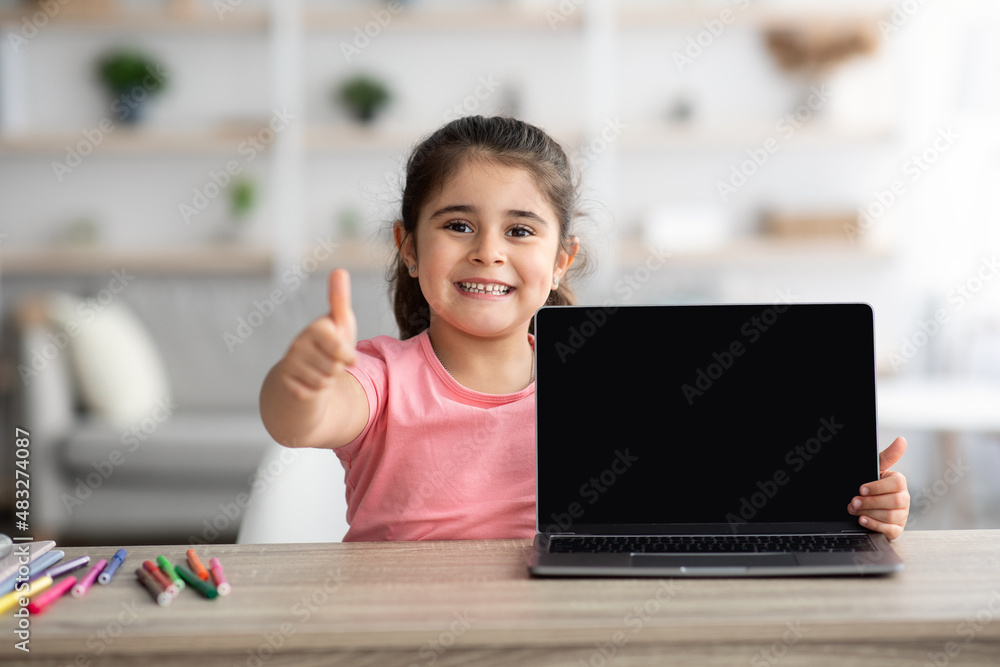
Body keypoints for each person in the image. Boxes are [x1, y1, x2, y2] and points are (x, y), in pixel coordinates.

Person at [259, 115, 911, 542]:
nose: (489, 251)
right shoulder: (379, 376)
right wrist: (303, 380)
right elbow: (300, 419)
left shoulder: (614, 385)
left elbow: (708, 504)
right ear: (408, 246)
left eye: (520, 230)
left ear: (561, 258)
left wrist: (853, 505)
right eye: (458, 224)